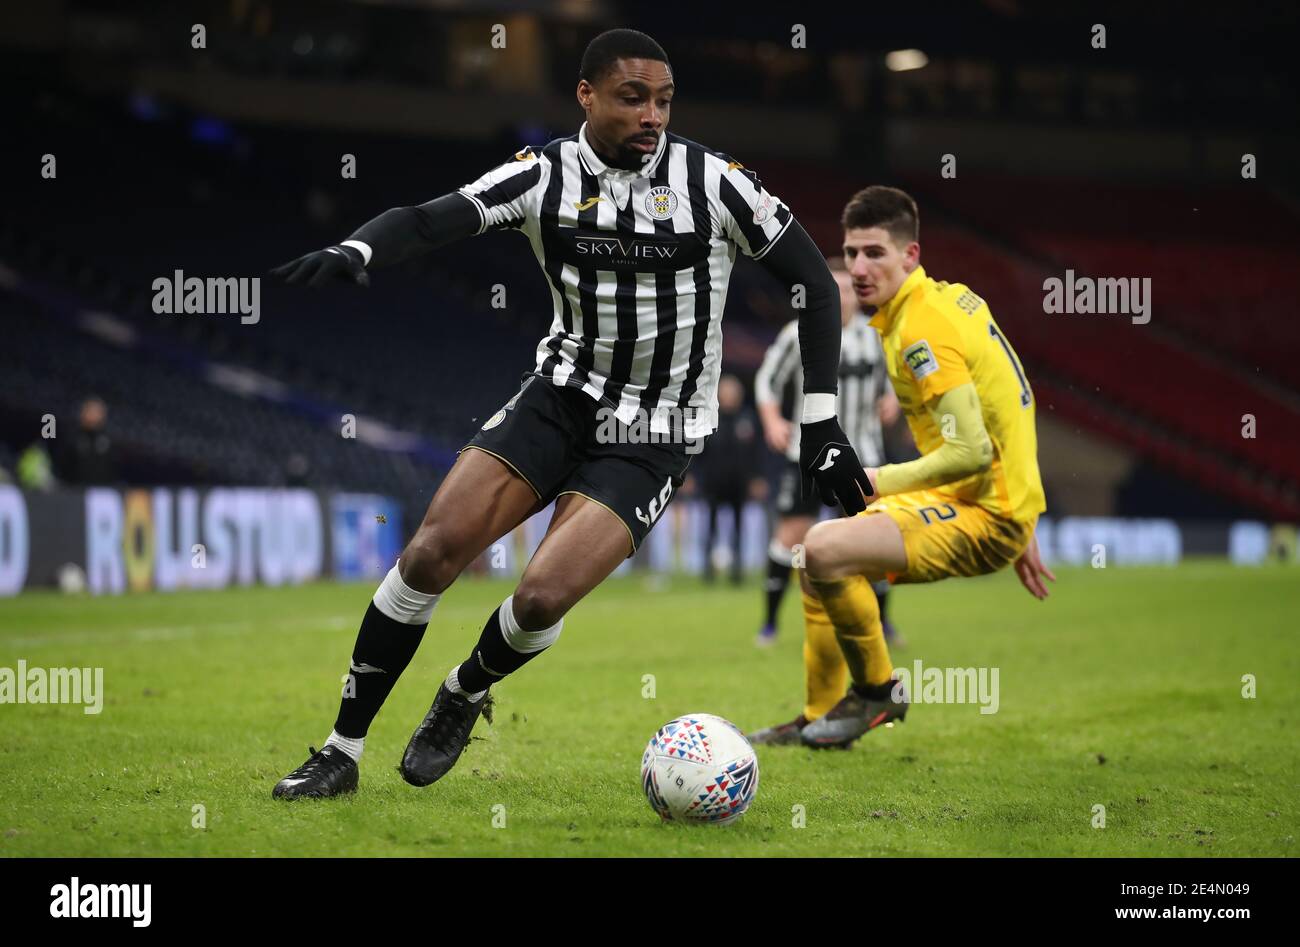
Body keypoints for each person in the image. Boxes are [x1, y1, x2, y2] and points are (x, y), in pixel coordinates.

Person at [266, 29, 870, 798]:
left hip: (656, 433)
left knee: (541, 596)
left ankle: (463, 690)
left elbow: (816, 284)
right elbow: (428, 219)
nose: (653, 114)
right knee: (428, 554)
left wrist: (820, 424)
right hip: (559, 399)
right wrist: (359, 251)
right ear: (585, 95)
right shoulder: (544, 174)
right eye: (632, 97)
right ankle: (339, 752)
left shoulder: (714, 184)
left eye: (663, 100)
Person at [748, 185, 1055, 748]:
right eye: (852, 253)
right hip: (986, 500)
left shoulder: (920, 330)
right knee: (809, 557)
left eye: (875, 253)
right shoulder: (945, 302)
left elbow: (970, 451)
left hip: (982, 512)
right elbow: (1014, 393)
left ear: (910, 255)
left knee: (821, 548)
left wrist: (872, 481)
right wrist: (1025, 499)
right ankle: (819, 715)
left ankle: (875, 693)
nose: (860, 268)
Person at [753, 256, 900, 647]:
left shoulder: (876, 335)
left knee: (873, 538)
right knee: (791, 537)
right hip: (808, 455)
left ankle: (883, 622)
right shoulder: (798, 333)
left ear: (858, 293)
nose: (843, 298)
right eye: (834, 290)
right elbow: (766, 380)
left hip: (864, 455)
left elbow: (896, 380)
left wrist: (893, 401)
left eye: (849, 289)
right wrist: (771, 420)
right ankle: (769, 624)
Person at [698, 374, 764, 584]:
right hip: (713, 482)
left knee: (738, 527)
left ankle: (737, 569)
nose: (729, 397)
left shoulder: (748, 419)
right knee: (710, 526)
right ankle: (708, 569)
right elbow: (698, 452)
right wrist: (690, 476)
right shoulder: (709, 419)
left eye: (732, 393)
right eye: (725, 392)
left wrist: (757, 478)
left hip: (738, 484)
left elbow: (756, 453)